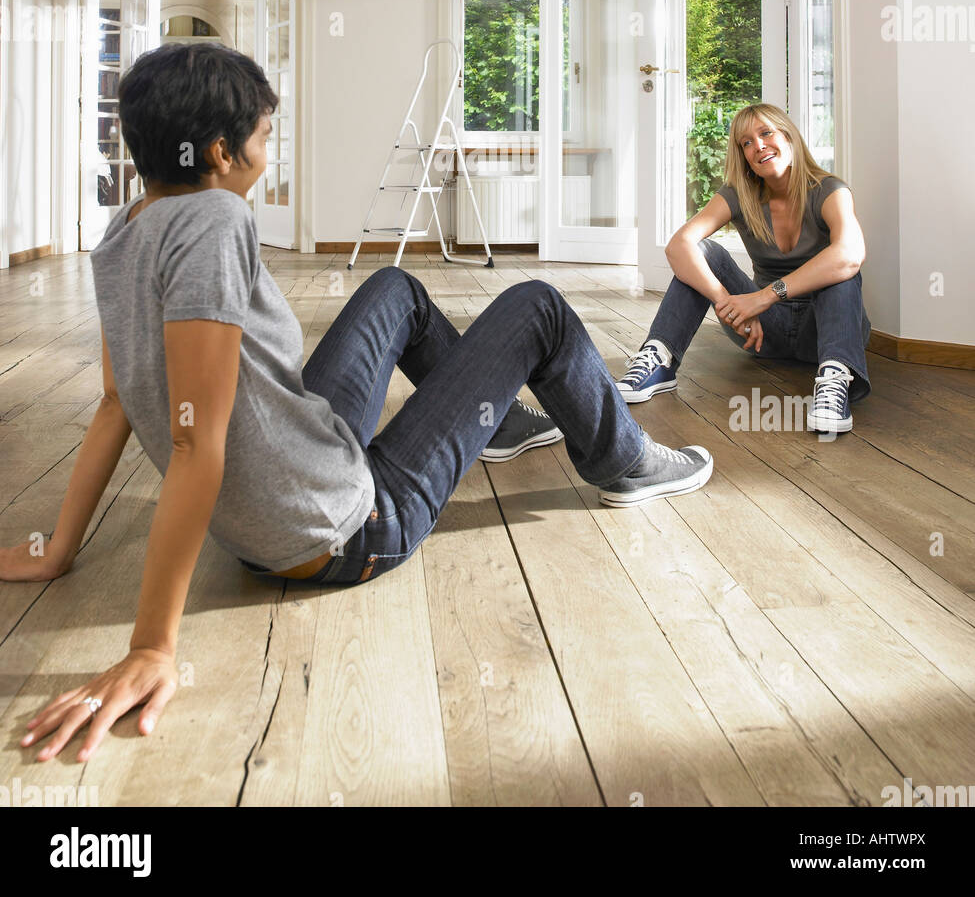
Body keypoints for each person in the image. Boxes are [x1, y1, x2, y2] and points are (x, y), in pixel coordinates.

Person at [2, 42, 712, 763]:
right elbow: (194, 440)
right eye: (262, 138)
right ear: (219, 153)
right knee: (538, 308)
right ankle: (625, 462)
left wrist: (57, 550)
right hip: (350, 526)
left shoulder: (122, 231)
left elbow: (116, 402)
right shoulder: (215, 220)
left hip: (301, 468)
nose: (266, 153)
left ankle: (491, 426)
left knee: (394, 289)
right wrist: (152, 647)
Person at [615, 103, 870, 435]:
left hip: (823, 331)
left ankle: (835, 381)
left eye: (766, 133)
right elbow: (679, 245)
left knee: (842, 271)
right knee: (702, 252)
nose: (758, 146)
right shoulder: (739, 194)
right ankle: (659, 359)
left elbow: (851, 254)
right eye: (746, 142)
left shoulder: (829, 190)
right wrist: (731, 303)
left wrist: (764, 297)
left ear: (789, 137)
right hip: (761, 333)